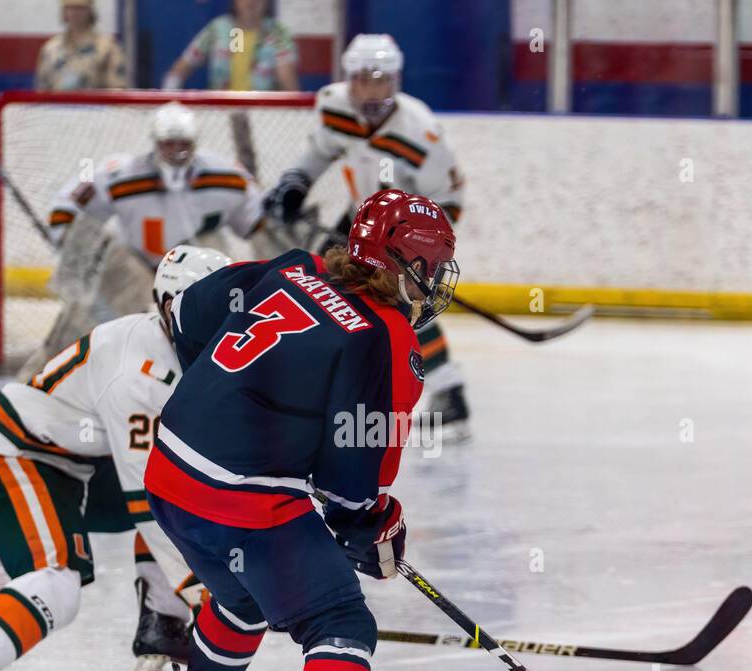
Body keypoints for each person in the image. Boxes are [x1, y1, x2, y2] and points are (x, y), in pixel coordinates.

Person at [143, 189, 459, 671]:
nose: (434, 282)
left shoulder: (292, 267)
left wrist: (241, 400)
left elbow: (195, 312)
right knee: (339, 617)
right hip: (243, 496)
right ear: (401, 266)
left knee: (242, 594)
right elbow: (353, 479)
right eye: (429, 266)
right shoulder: (385, 341)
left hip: (169, 472)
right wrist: (371, 525)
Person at [0, 247, 232, 671]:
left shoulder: (185, 346)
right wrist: (205, 594)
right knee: (57, 584)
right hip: (16, 456)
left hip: (77, 463)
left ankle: (163, 623)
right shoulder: (137, 372)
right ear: (164, 305)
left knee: (190, 488)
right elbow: (151, 500)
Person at [265, 34, 471, 434]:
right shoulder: (334, 105)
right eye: (362, 78)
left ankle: (450, 390)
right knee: (319, 284)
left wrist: (420, 248)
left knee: (406, 301)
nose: (370, 89)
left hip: (410, 229)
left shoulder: (421, 132)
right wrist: (296, 184)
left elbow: (448, 198)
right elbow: (320, 153)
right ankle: (317, 378)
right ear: (348, 78)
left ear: (395, 80)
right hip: (363, 217)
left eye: (380, 79)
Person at [47, 103, 267, 268]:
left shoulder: (227, 176)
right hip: (137, 264)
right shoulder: (120, 175)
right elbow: (69, 203)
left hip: (194, 267)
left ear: (195, 143)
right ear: (155, 142)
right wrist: (67, 239)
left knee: (215, 250)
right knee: (110, 281)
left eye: (184, 144)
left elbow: (259, 224)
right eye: (169, 144)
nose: (177, 152)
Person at [162, 0, 299, 92]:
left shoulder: (277, 33)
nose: (251, 2)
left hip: (263, 114)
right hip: (222, 112)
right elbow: (181, 68)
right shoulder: (222, 30)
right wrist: (168, 101)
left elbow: (287, 80)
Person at [35, 0, 128, 92]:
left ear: (90, 11)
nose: (75, 13)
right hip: (57, 106)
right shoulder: (51, 48)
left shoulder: (107, 48)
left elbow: (117, 89)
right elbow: (42, 89)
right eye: (70, 8)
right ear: (63, 12)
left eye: (80, 8)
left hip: (95, 105)